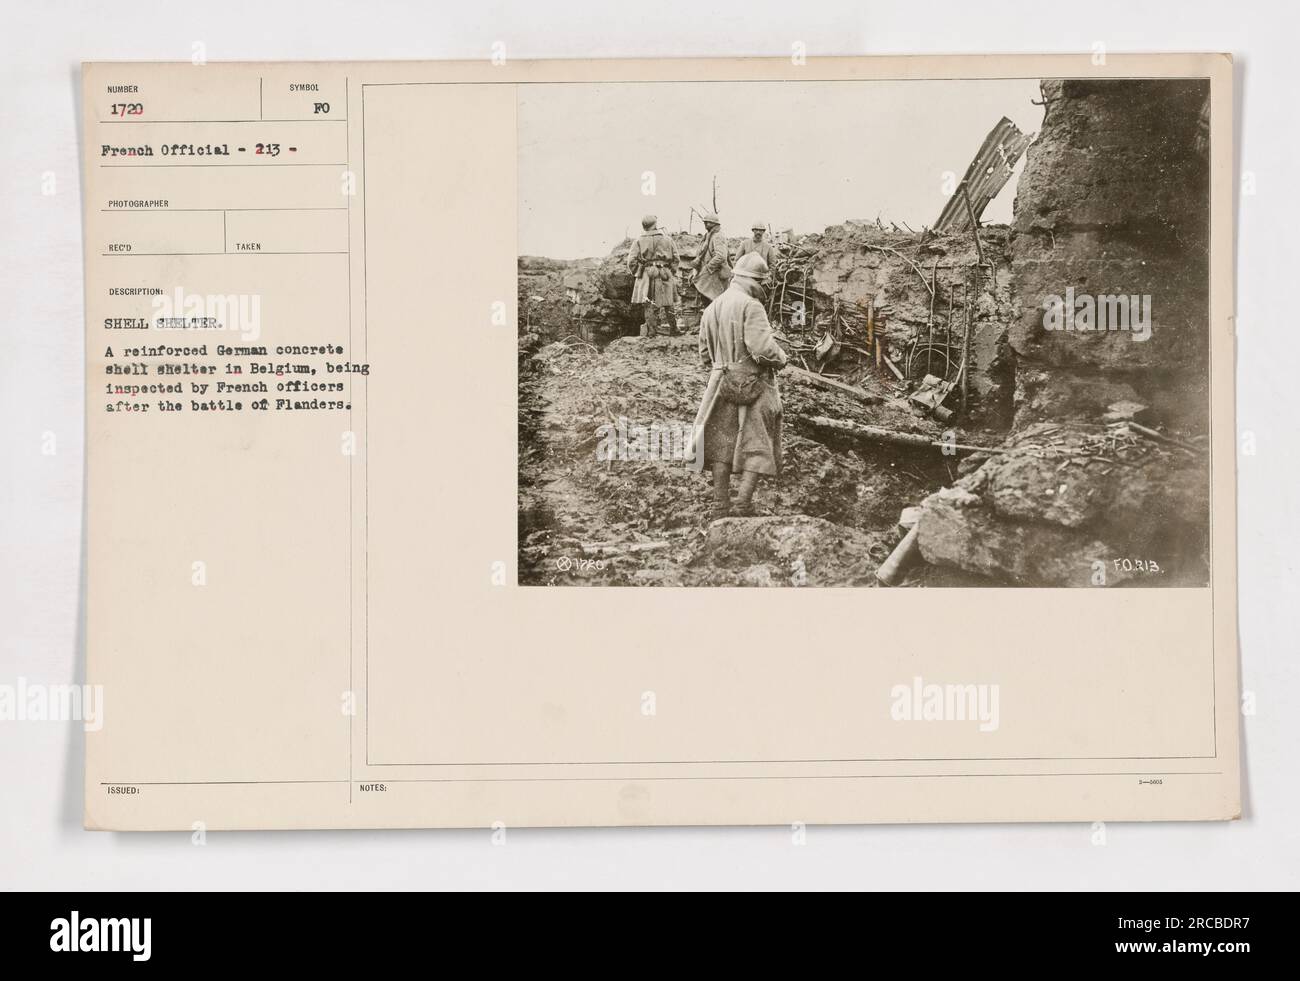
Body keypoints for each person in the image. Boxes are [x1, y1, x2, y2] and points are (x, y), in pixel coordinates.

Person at [688, 252, 788, 519]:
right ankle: (742, 504)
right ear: (755, 280)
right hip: (754, 384)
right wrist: (782, 357)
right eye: (762, 282)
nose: (764, 288)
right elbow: (763, 350)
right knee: (758, 441)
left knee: (721, 443)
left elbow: (703, 354)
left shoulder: (713, 306)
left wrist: (723, 364)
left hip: (720, 383)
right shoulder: (751, 306)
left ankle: (720, 505)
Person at [626, 215, 679, 336]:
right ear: (655, 224)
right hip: (664, 272)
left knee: (648, 303)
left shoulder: (638, 240)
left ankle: (651, 332)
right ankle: (674, 329)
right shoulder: (668, 239)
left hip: (647, 274)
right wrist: (670, 271)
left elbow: (631, 261)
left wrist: (637, 273)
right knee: (668, 302)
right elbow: (676, 258)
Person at [692, 212, 731, 302]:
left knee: (716, 301)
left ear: (715, 224)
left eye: (708, 222)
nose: (705, 224)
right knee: (707, 299)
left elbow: (721, 256)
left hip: (715, 274)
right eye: (705, 222)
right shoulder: (708, 235)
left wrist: (707, 268)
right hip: (710, 275)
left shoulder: (718, 236)